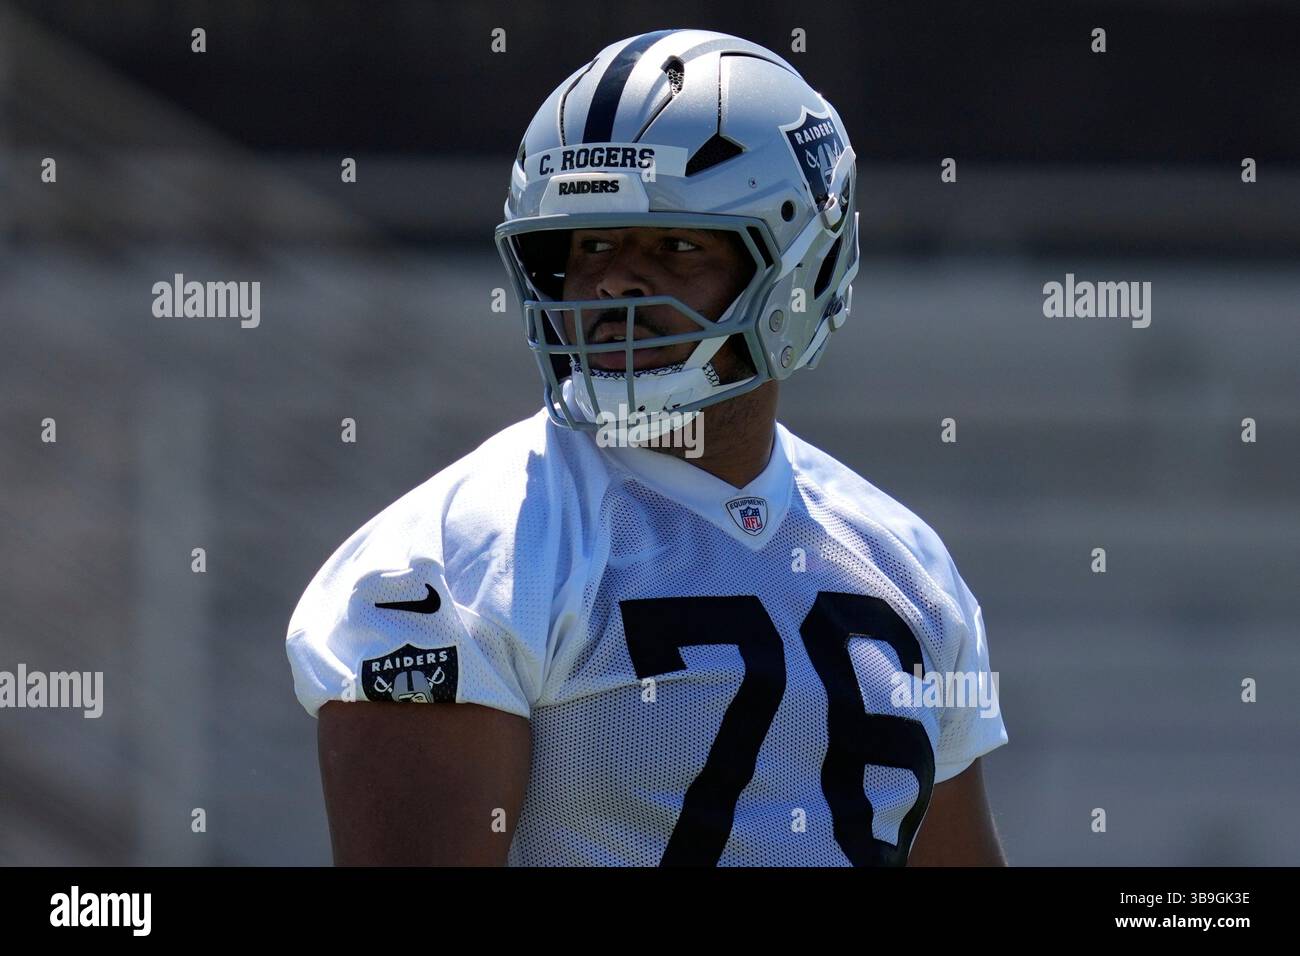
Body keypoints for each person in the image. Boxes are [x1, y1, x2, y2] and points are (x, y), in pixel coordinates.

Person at [286, 28, 1008, 866]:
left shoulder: (907, 563)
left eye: (674, 246)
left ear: (801, 266)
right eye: (589, 245)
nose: (612, 283)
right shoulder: (462, 558)